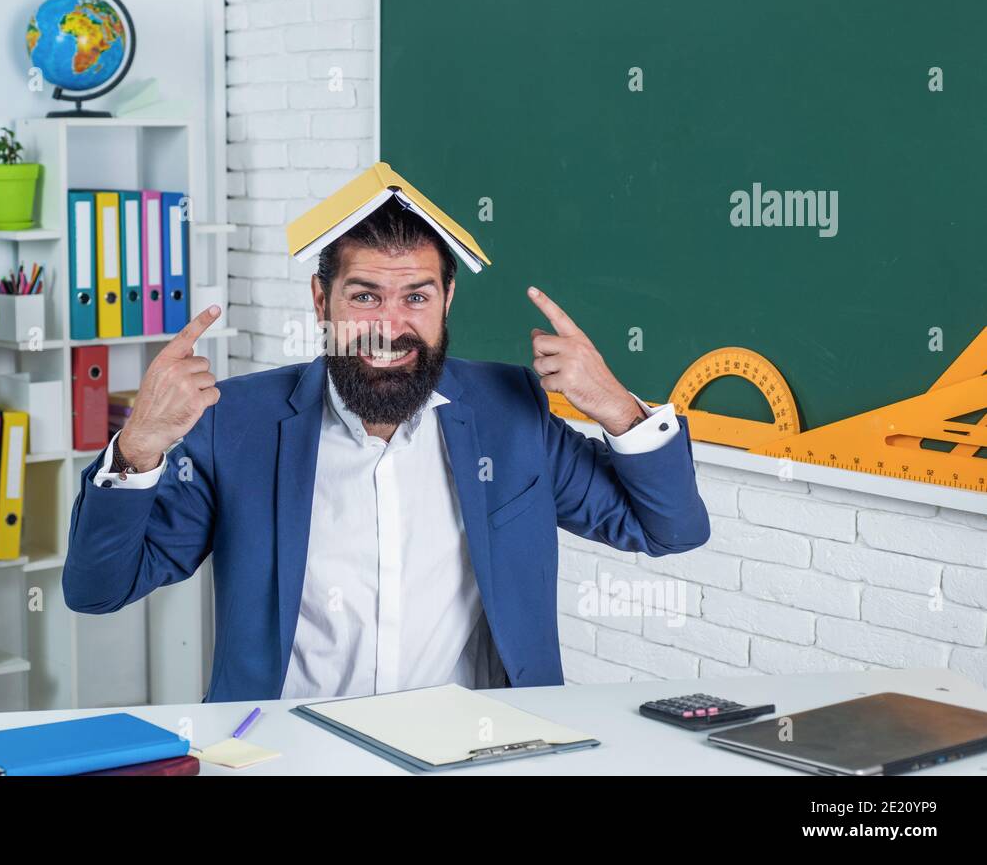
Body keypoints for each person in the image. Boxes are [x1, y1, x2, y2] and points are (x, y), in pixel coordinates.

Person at [65, 202, 709, 702]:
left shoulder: (510, 413)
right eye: (365, 295)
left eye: (416, 297)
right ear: (322, 300)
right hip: (291, 754)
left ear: (447, 300)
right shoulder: (238, 424)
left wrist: (618, 409)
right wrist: (139, 445)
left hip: (480, 751)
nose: (389, 326)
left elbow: (671, 530)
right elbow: (98, 590)